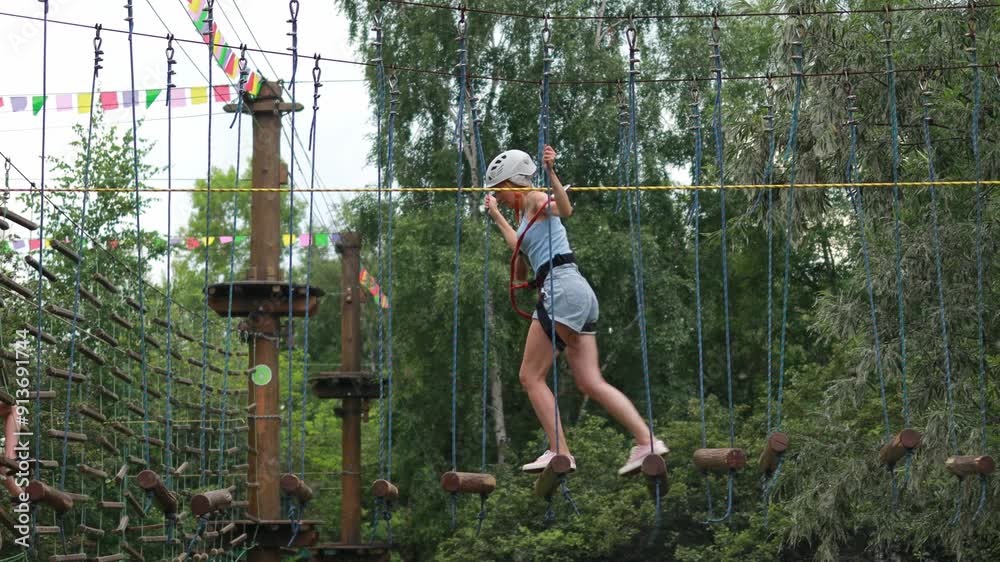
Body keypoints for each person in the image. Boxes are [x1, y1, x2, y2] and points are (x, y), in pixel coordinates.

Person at [483, 145, 667, 475]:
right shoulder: (524, 217)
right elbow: (519, 253)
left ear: (514, 184)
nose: (502, 197)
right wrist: (496, 215)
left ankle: (560, 452)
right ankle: (646, 441)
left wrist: (552, 173)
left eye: (501, 191)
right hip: (577, 292)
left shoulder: (536, 199)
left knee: (530, 376)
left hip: (561, 290)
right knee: (590, 381)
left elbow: (564, 209)